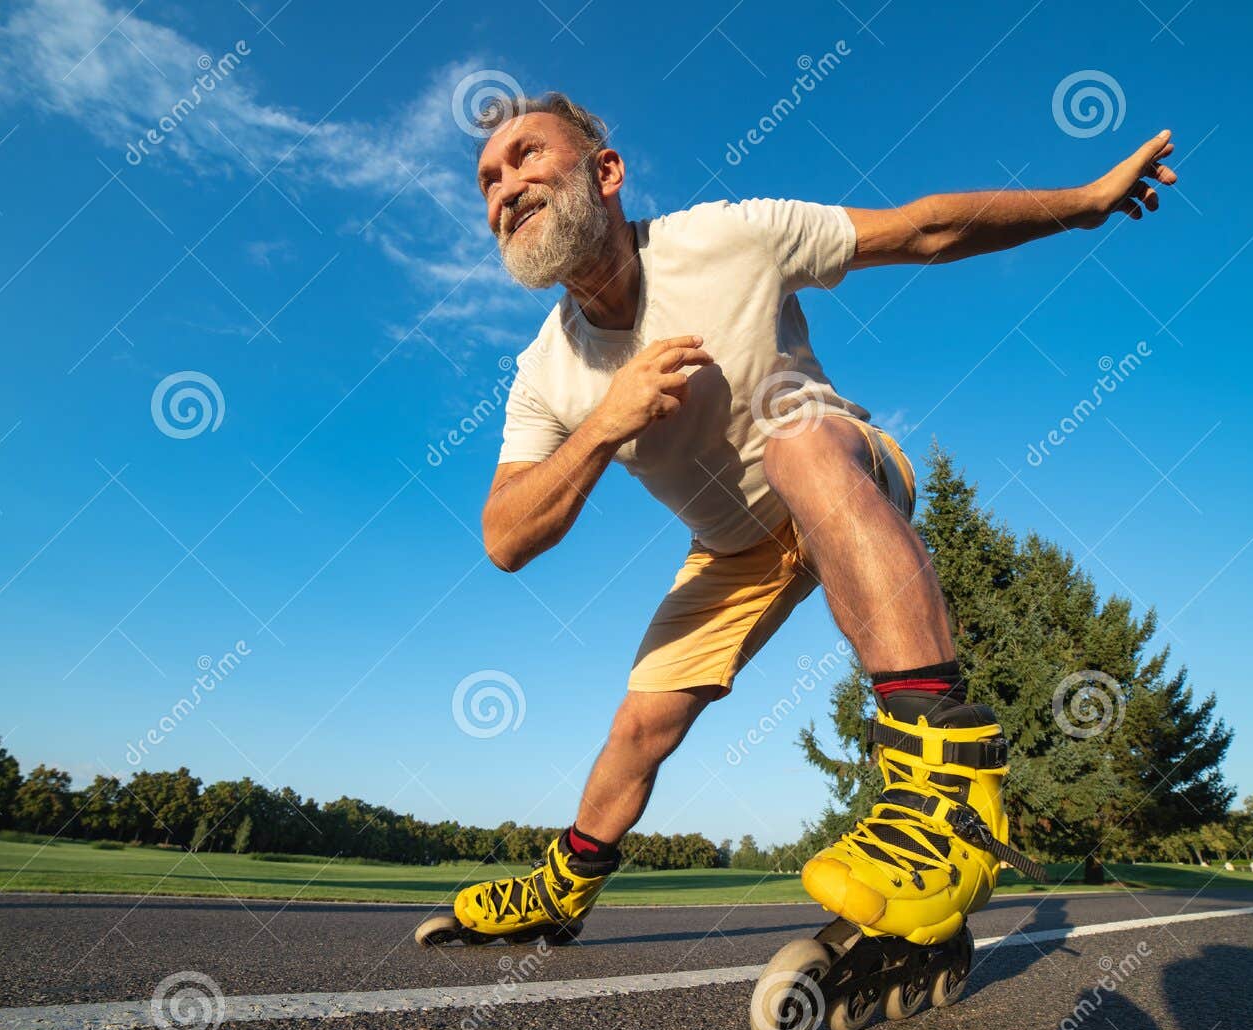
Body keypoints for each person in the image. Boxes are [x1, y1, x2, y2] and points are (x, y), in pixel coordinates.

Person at [452, 92, 1175, 944]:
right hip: (729, 548)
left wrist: (1084, 203)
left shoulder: (728, 235)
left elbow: (924, 228)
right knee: (639, 724)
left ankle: (943, 787)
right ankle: (565, 884)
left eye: (528, 156)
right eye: (488, 180)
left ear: (606, 172)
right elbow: (505, 535)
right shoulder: (544, 373)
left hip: (840, 465)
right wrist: (607, 422)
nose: (503, 187)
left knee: (793, 441)